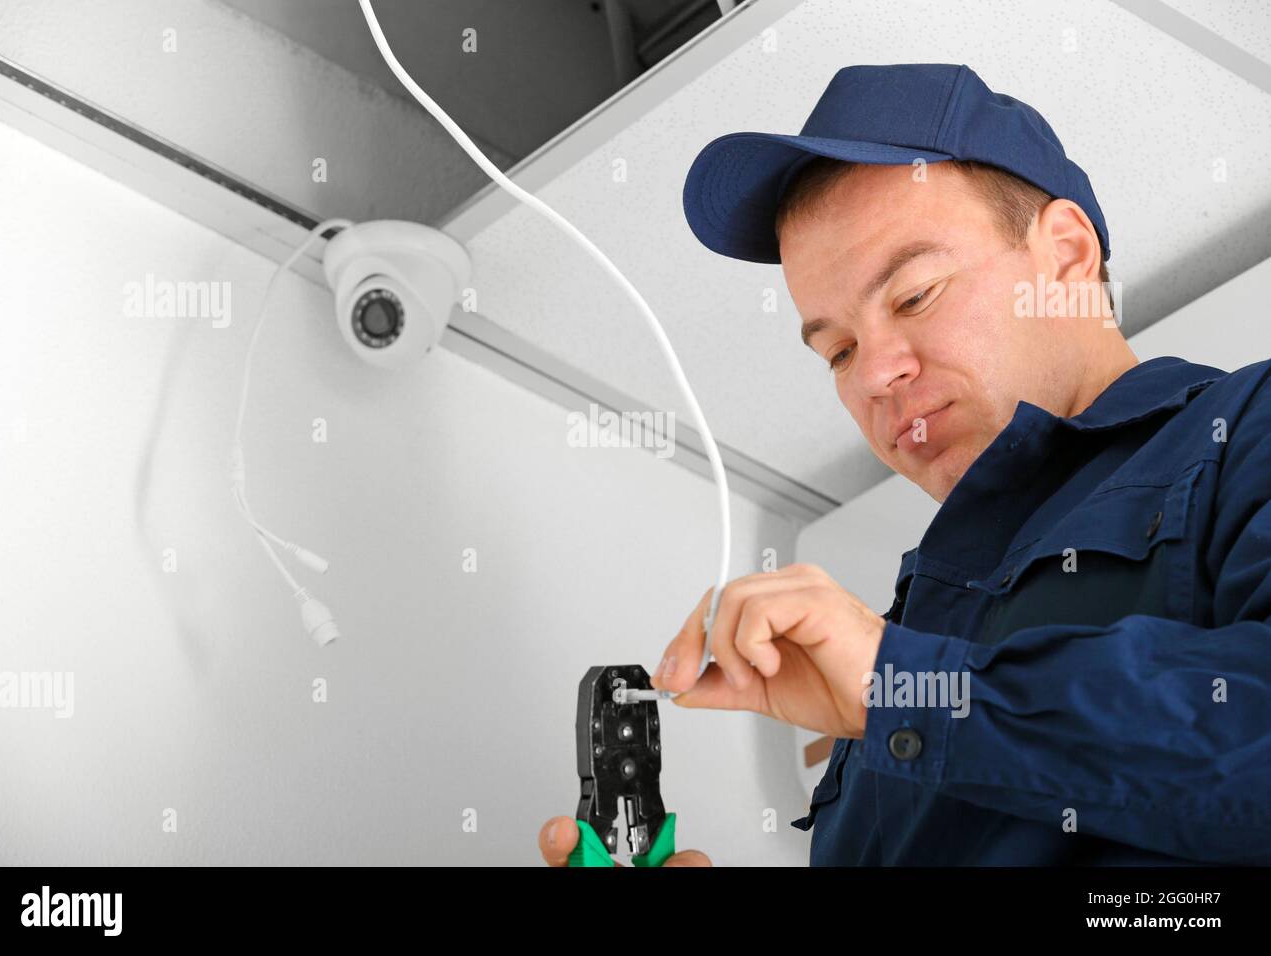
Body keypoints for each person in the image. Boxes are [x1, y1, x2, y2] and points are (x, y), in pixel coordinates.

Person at [541, 63, 1271, 866]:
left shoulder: (1247, 429)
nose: (873, 375)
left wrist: (908, 686)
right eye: (838, 350)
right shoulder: (907, 625)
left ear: (1064, 256)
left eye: (916, 295)